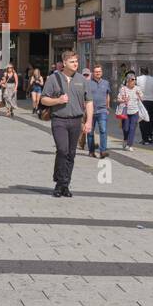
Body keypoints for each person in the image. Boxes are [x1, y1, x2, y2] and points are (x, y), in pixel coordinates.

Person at [41, 51, 92, 197]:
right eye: (72, 62)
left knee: (71, 153)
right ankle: (59, 182)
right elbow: (44, 99)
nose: (75, 64)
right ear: (64, 63)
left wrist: (88, 121)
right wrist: (58, 101)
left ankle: (65, 185)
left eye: (76, 61)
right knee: (62, 150)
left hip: (76, 121)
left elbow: (89, 102)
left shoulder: (82, 80)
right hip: (59, 120)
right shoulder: (53, 78)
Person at [86, 64, 111, 158]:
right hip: (90, 111)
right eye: (96, 72)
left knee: (103, 130)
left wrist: (107, 107)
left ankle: (103, 151)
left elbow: (107, 95)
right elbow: (84, 96)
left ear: (102, 72)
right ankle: (91, 151)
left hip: (102, 110)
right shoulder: (88, 83)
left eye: (99, 71)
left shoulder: (106, 83)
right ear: (93, 73)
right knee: (90, 132)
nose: (98, 73)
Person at [116, 72, 144, 151]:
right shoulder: (123, 89)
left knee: (132, 128)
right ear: (127, 80)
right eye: (132, 80)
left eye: (134, 79)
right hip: (125, 112)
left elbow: (142, 99)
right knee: (126, 128)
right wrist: (123, 100)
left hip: (135, 112)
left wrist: (139, 95)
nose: (133, 81)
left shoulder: (137, 88)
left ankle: (129, 144)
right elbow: (118, 99)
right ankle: (125, 139)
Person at [136, 68, 153, 145]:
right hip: (152, 102)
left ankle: (144, 138)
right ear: (148, 72)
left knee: (142, 120)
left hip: (142, 102)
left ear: (141, 72)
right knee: (150, 119)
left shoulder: (137, 79)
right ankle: (150, 137)